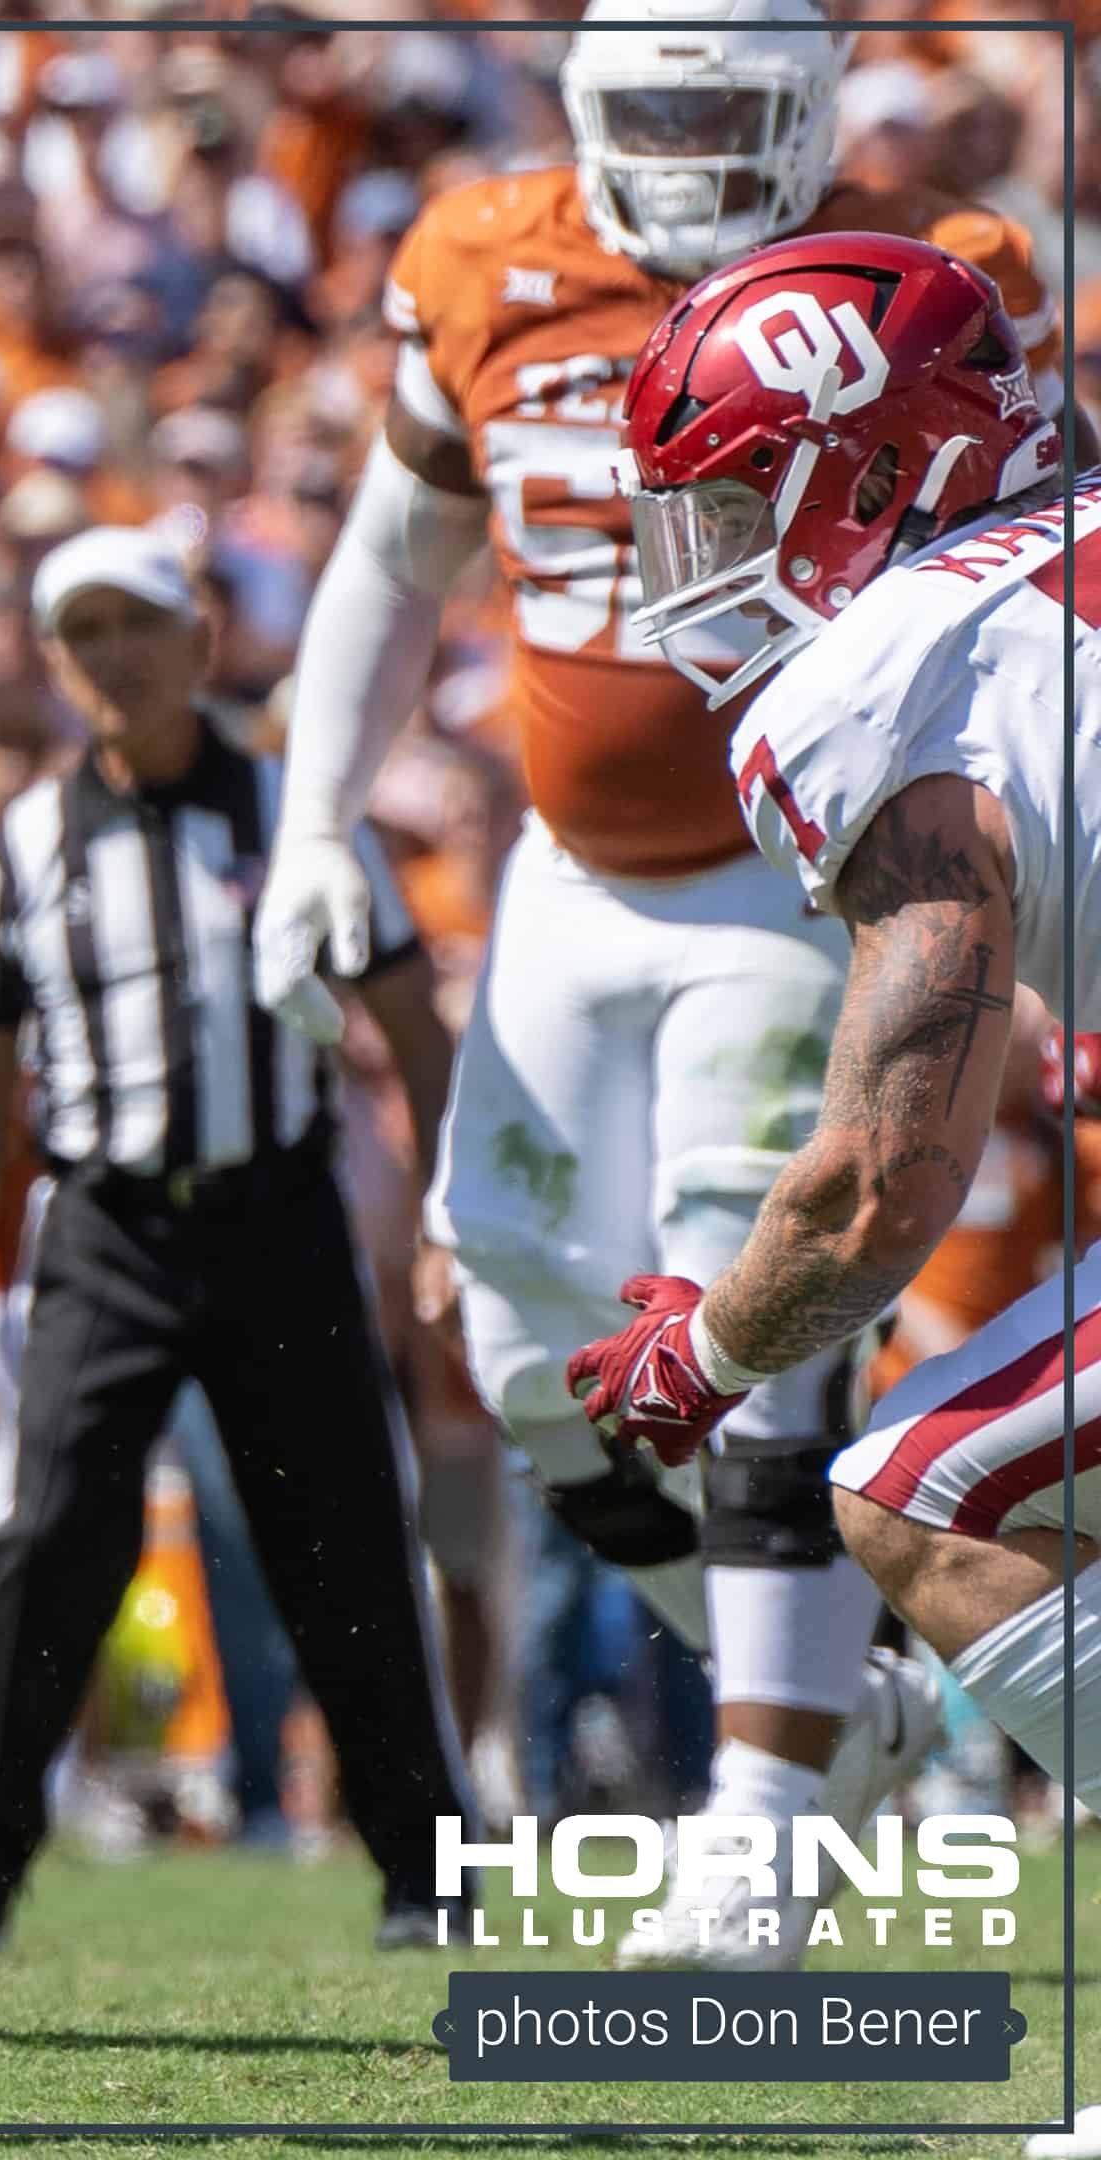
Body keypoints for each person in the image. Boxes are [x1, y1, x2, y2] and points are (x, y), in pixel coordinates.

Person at [253, 0, 1050, 1964]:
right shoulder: (481, 256)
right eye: (659, 114)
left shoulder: (918, 273)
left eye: (730, 114)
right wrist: (313, 822)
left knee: (745, 1310)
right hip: (565, 874)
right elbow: (393, 555)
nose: (691, 159)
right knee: (528, 1342)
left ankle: (761, 1817)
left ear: (811, 111)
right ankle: (828, 1683)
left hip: (808, 864)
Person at [562, 234, 1081, 1979]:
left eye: (729, 511)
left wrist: (708, 1351)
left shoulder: (900, 671)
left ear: (874, 478)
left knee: (924, 1495)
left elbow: (876, 1185)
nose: (695, 566)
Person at [0, 529, 472, 1953]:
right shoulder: (22, 842)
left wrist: (449, 1216)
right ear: (52, 660)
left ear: (199, 640)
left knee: (345, 1544)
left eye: (137, 625)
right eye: (83, 633)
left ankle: (426, 1868)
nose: (114, 658)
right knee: (50, 1534)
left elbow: (413, 1026)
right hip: (107, 1228)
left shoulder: (299, 815)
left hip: (281, 1218)